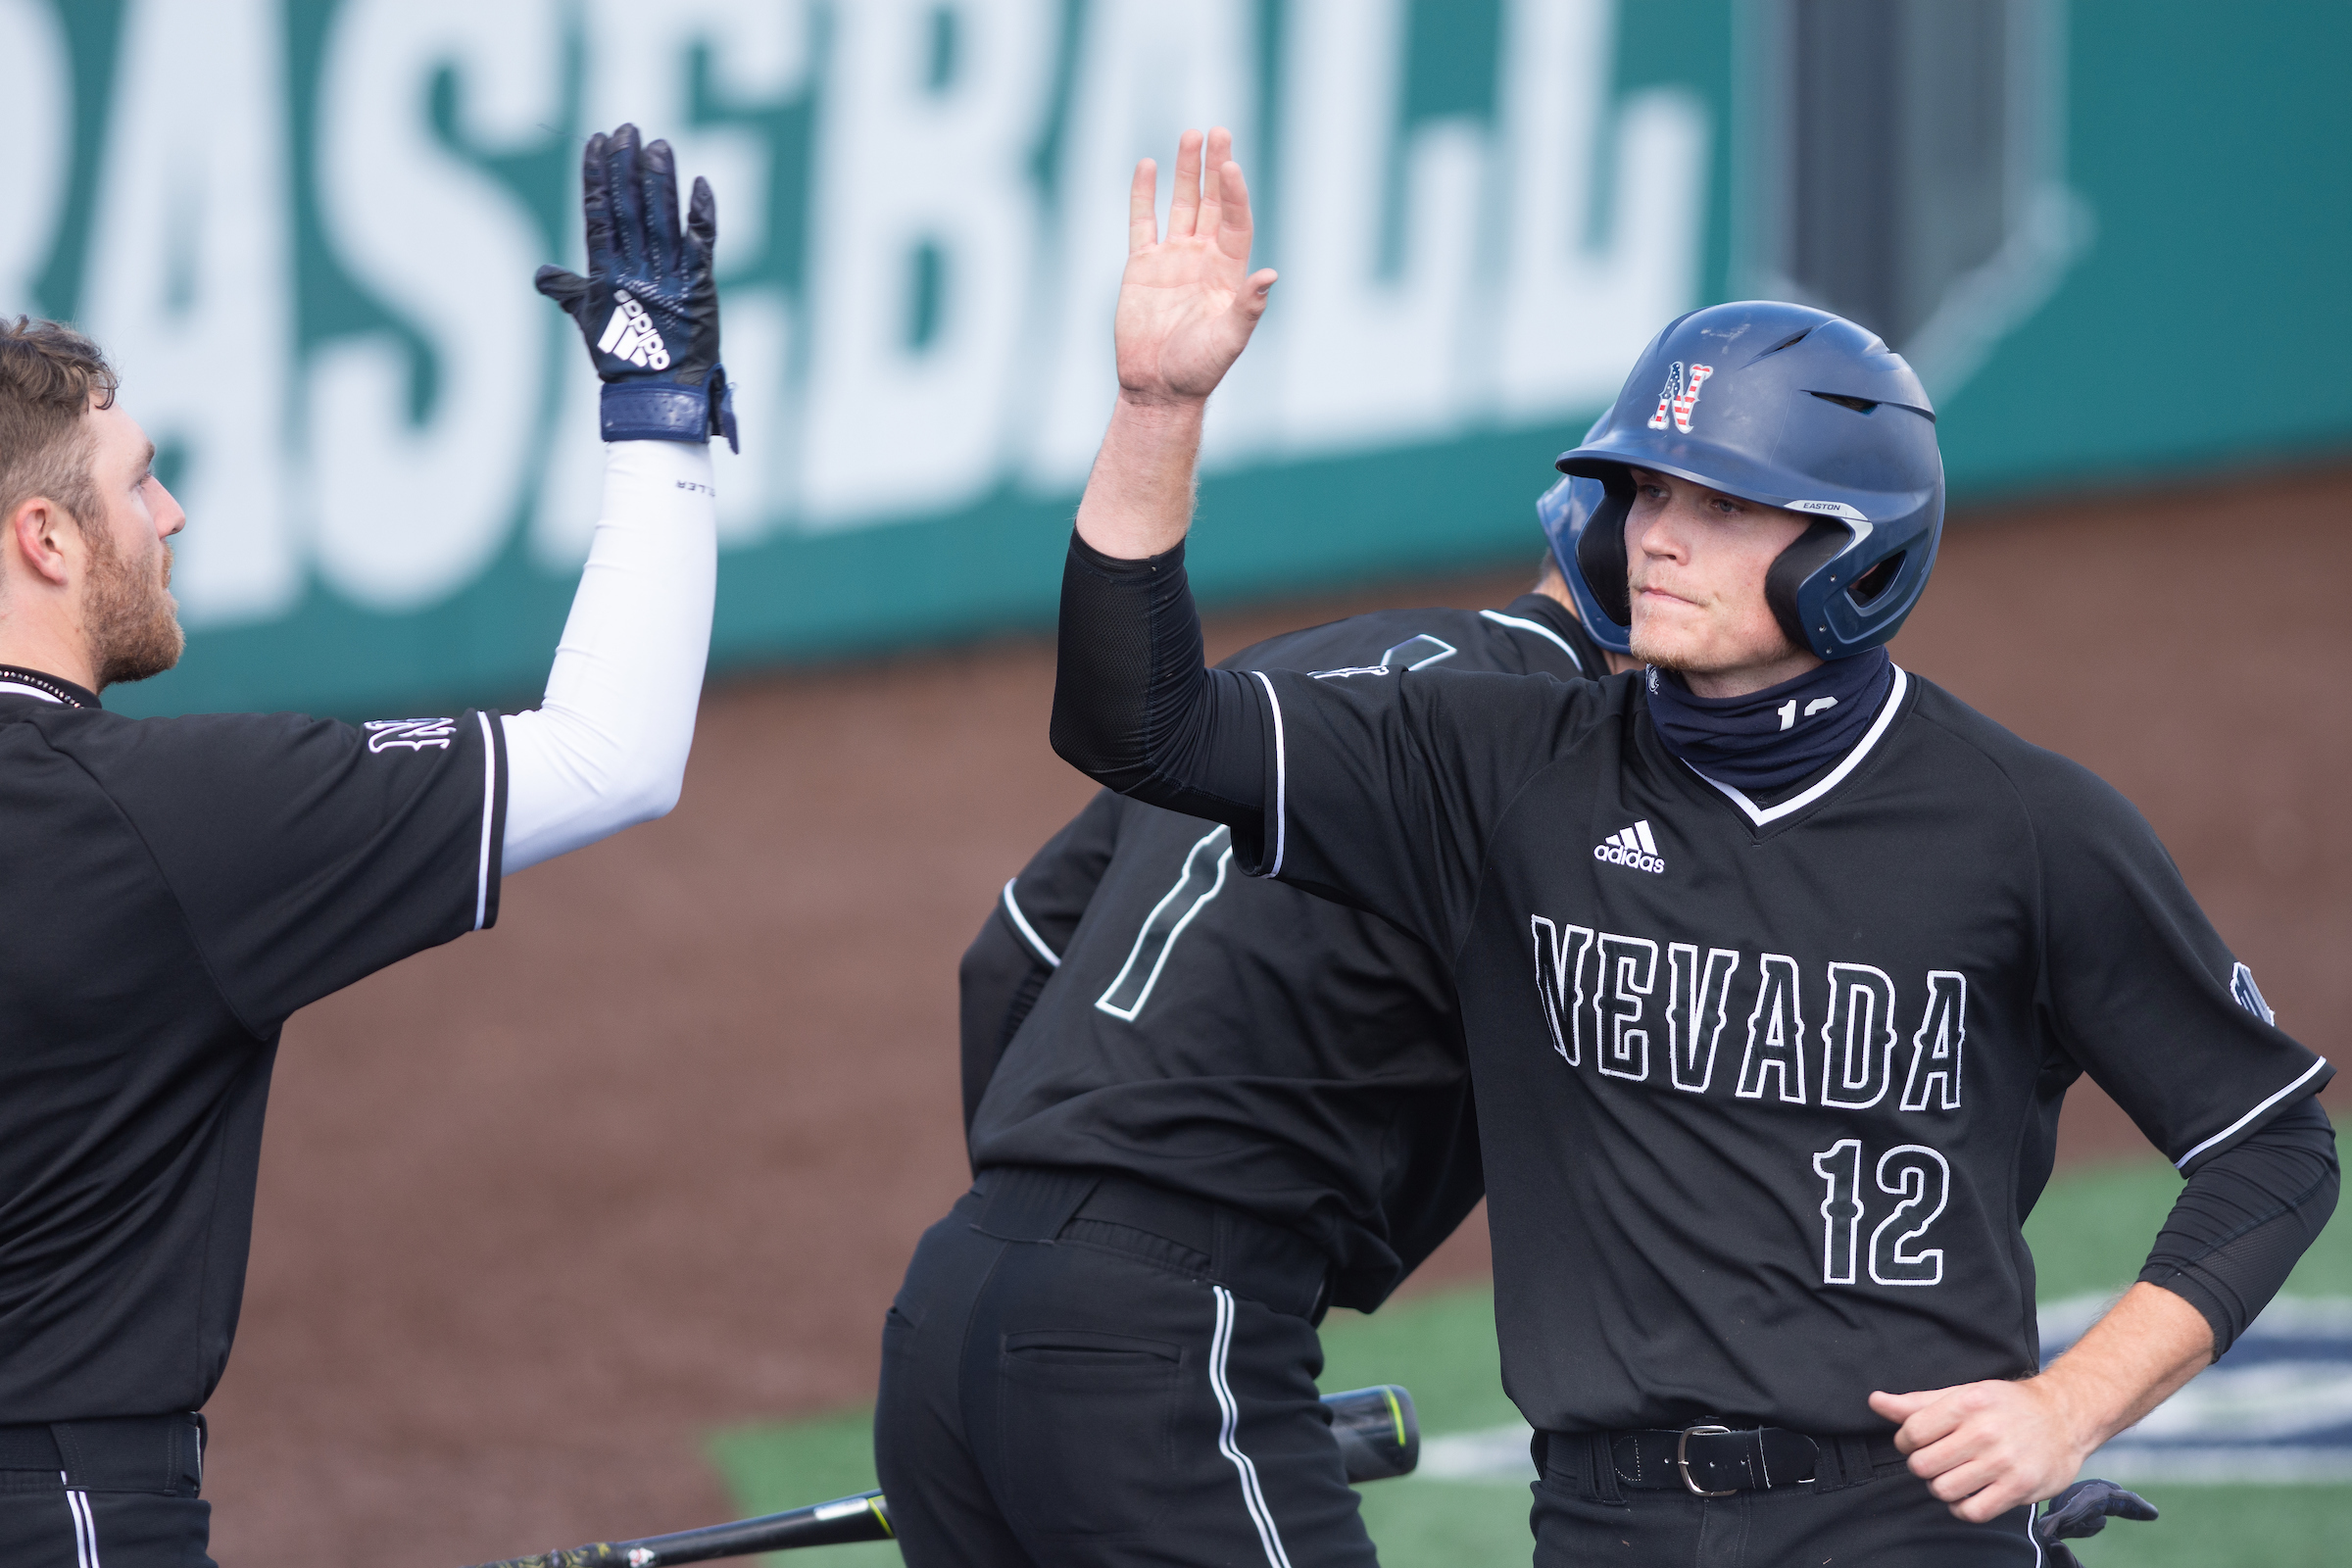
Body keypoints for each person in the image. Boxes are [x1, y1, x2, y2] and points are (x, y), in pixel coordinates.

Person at [1043, 128, 2337, 1564]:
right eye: (1646, 493)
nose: (1657, 534)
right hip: (1604, 1522)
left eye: (1720, 505)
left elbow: (2269, 1147)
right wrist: (1157, 407)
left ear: (1853, 547)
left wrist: (2074, 1404)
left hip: (1899, 1525)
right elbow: (1141, 727)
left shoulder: (2021, 826)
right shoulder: (1499, 766)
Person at [0, 123, 731, 1567]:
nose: (171, 513)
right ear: (46, 537)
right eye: (138, 482)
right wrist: (662, 417)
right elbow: (613, 753)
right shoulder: (161, 823)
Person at [873, 474, 1633, 1565]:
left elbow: (1009, 955)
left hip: (952, 1299)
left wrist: (1049, 1266)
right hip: (1168, 1333)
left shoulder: (1299, 661)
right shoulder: (1566, 757)